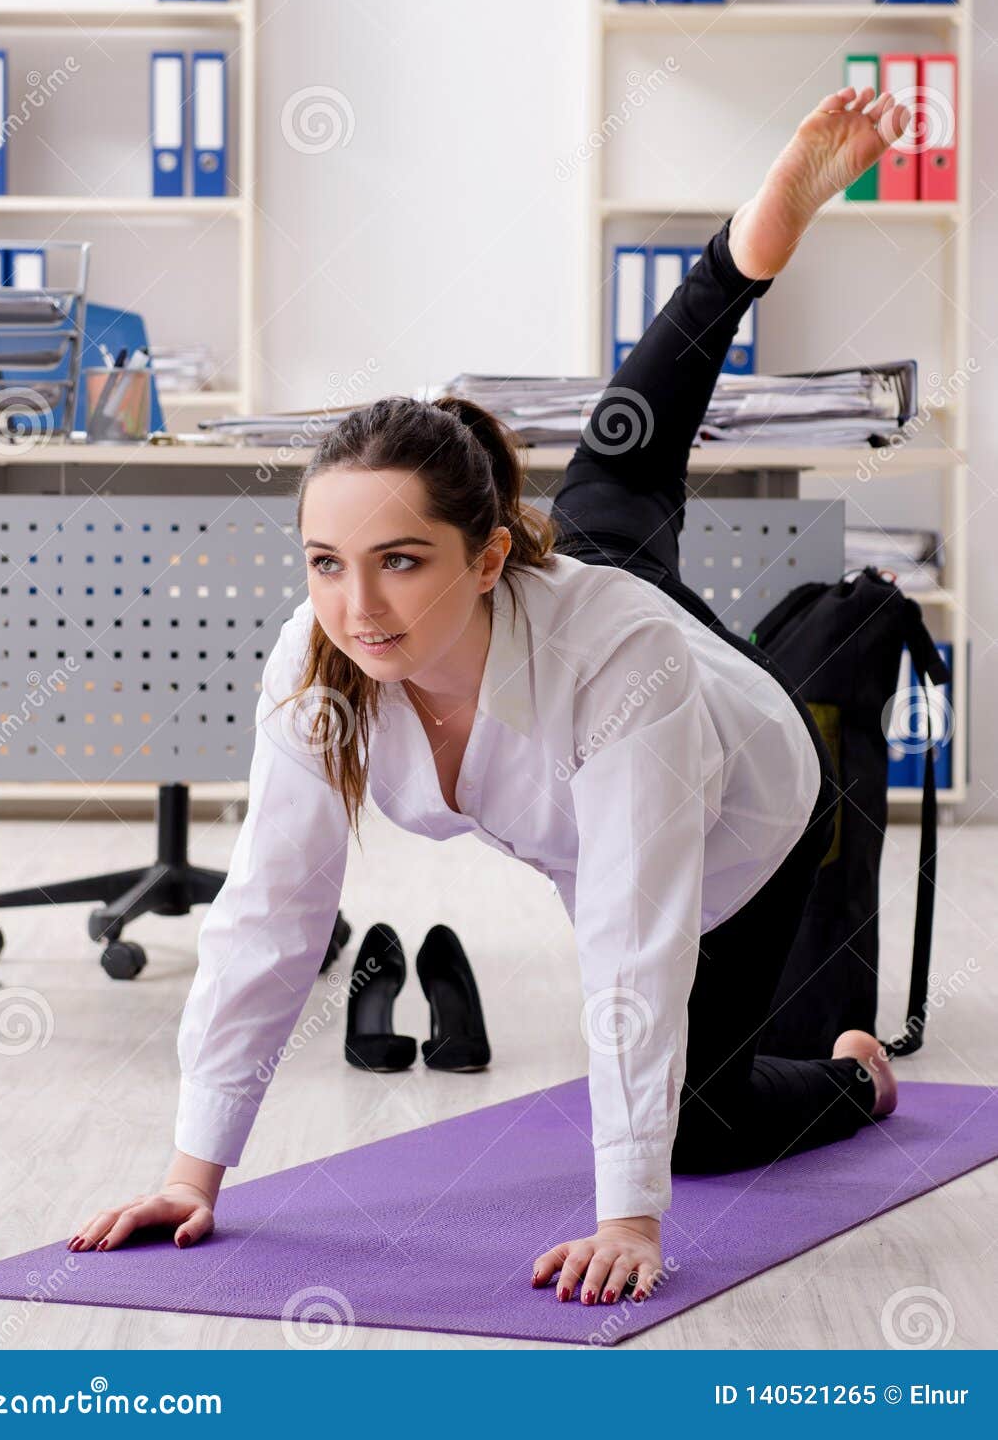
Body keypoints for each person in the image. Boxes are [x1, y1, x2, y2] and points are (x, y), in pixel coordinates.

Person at [68, 84, 905, 1310]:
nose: (357, 607)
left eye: (399, 558)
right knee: (623, 458)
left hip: (744, 792)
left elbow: (631, 934)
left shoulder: (628, 665)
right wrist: (197, 1172)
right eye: (325, 562)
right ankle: (746, 245)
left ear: (487, 552)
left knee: (701, 1127)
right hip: (565, 593)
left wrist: (629, 1212)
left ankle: (855, 1073)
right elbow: (271, 911)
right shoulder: (325, 656)